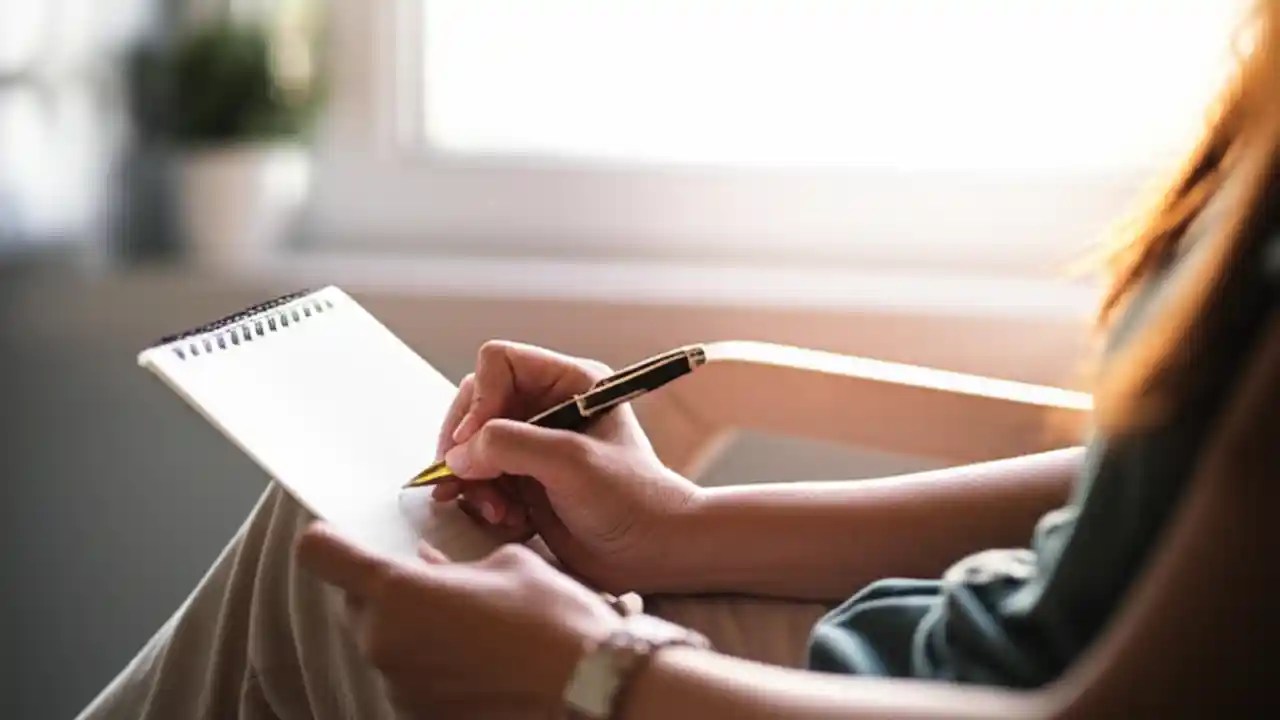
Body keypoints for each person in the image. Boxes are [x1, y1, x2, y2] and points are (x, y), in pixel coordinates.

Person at [79, 2, 1280, 717]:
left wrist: (602, 673)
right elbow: (1140, 484)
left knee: (342, 585)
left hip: (941, 687)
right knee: (364, 545)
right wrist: (681, 526)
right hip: (930, 643)